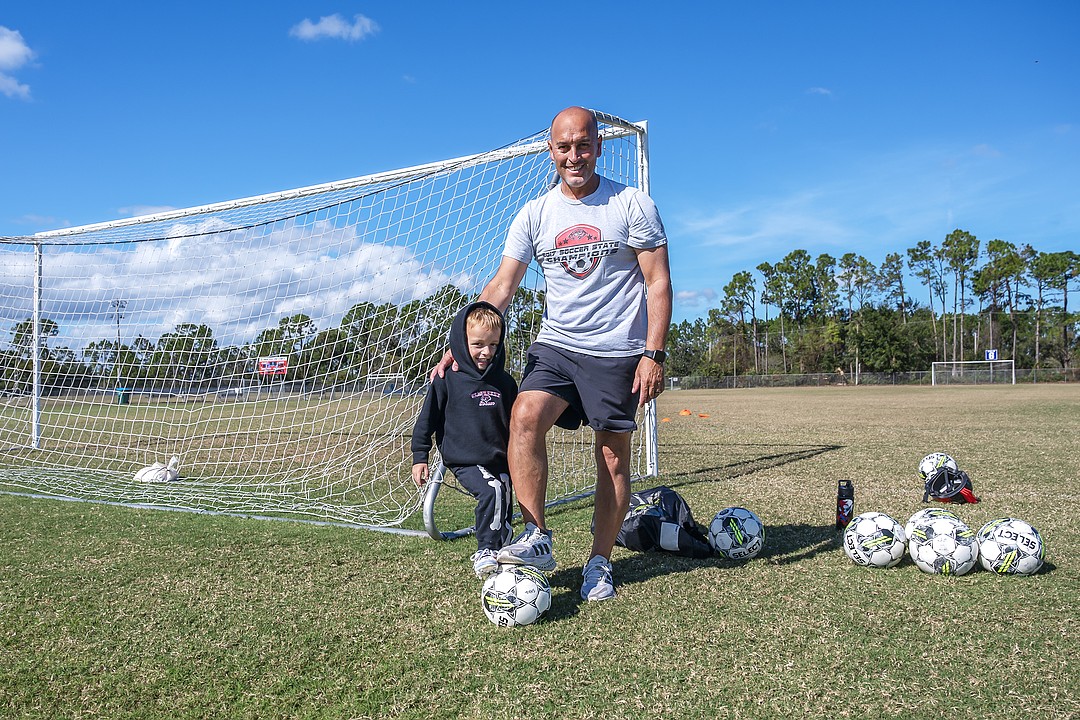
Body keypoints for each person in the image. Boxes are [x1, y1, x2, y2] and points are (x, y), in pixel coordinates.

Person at [435, 106, 672, 601]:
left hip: (616, 352)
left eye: (583, 145)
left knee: (611, 458)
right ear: (551, 151)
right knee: (524, 414)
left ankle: (600, 562)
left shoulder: (632, 204)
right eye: (564, 147)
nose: (574, 156)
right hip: (558, 344)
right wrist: (461, 342)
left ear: (599, 146)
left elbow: (658, 281)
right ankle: (536, 536)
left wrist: (654, 353)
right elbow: (502, 284)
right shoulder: (536, 213)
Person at [412, 302, 518, 579]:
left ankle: (503, 548)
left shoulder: (505, 383)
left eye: (494, 345)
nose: (486, 352)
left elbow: (516, 425)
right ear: (461, 341)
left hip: (498, 457)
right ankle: (485, 549)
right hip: (464, 459)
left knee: (504, 492)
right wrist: (419, 456)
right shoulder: (447, 379)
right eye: (478, 344)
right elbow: (427, 419)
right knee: (492, 490)